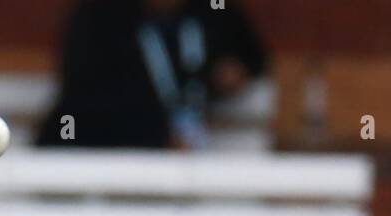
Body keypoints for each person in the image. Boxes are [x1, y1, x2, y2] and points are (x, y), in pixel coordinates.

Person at [36, 0, 267, 150]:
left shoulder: (214, 11)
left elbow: (252, 56)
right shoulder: (99, 17)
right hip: (103, 152)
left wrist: (232, 72)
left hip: (192, 147)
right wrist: (157, 136)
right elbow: (87, 96)